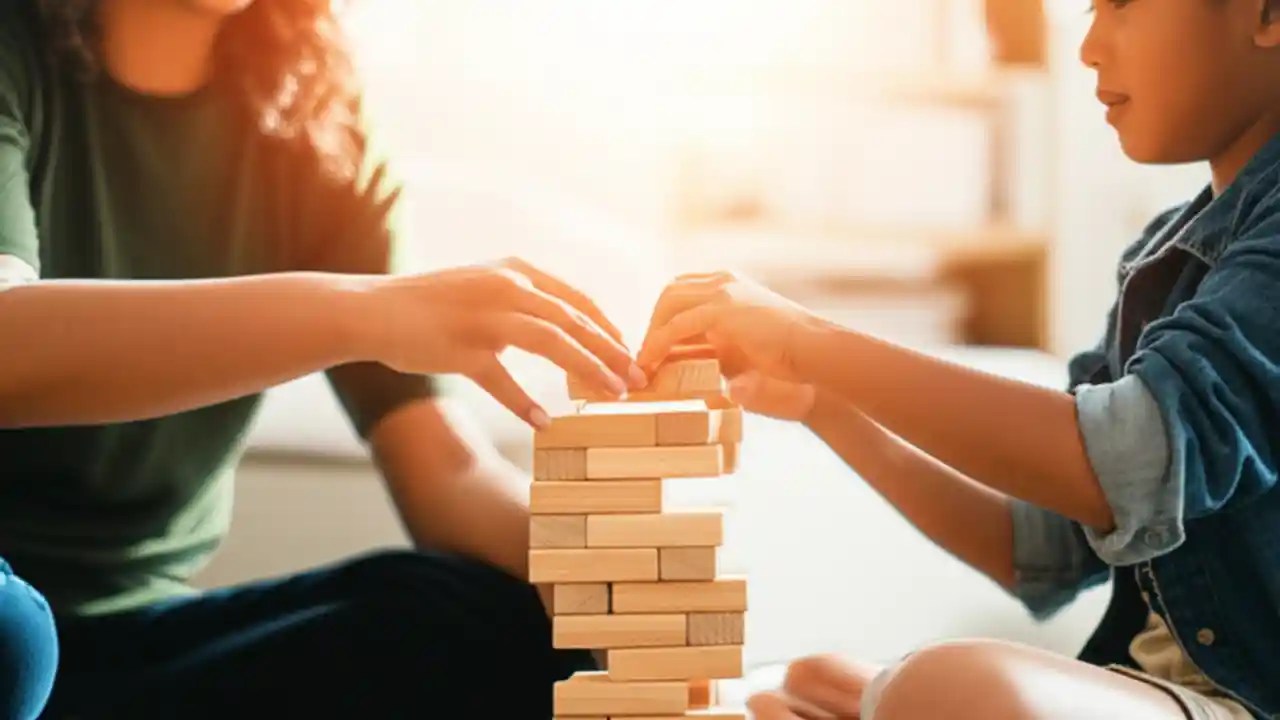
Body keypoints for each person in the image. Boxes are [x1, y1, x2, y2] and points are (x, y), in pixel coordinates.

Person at [0, 0, 653, 717]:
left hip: (135, 639)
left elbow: (446, 468)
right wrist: (361, 312)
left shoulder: (308, 112)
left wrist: (618, 569)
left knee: (498, 623)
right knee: (14, 636)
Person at [638, 0, 1280, 718]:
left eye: (1123, 5)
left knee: (946, 686)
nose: (1090, 48)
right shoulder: (1168, 255)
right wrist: (826, 403)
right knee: (814, 681)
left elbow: (1121, 463)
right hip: (1159, 692)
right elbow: (1037, 548)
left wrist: (806, 340)